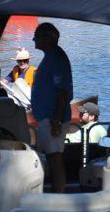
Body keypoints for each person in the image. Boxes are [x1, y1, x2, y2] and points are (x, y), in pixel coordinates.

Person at [30, 23, 73, 192]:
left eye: (37, 36)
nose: (34, 39)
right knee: (53, 156)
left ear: (48, 37)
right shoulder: (52, 56)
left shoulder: (56, 57)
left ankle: (58, 197)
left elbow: (62, 90)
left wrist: (56, 119)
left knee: (54, 158)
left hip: (53, 118)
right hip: (47, 117)